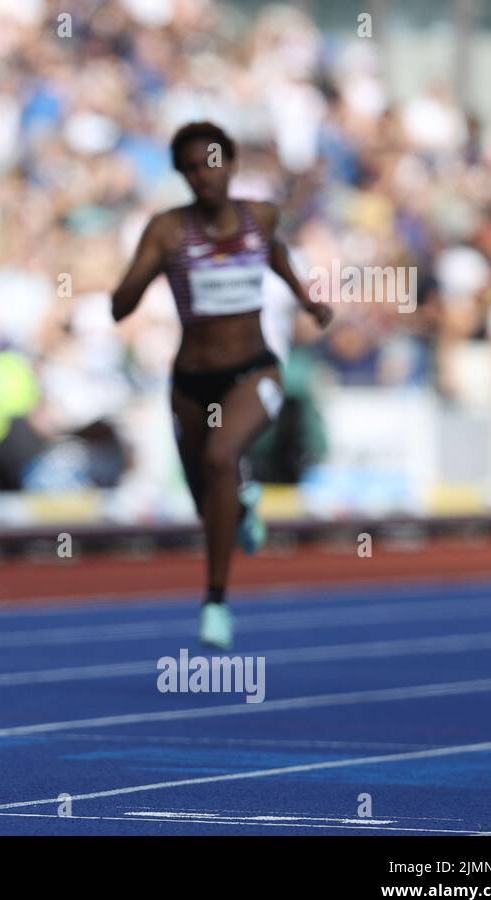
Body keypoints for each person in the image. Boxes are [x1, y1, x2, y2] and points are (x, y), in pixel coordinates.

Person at [111, 122, 333, 650]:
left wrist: (307, 300)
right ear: (182, 175)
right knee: (204, 500)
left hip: (254, 370)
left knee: (219, 456)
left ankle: (215, 602)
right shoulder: (166, 230)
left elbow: (275, 253)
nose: (202, 175)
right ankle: (241, 500)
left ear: (231, 166)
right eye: (190, 167)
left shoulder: (260, 217)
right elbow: (122, 301)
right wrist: (136, 284)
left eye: (211, 163)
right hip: (191, 381)